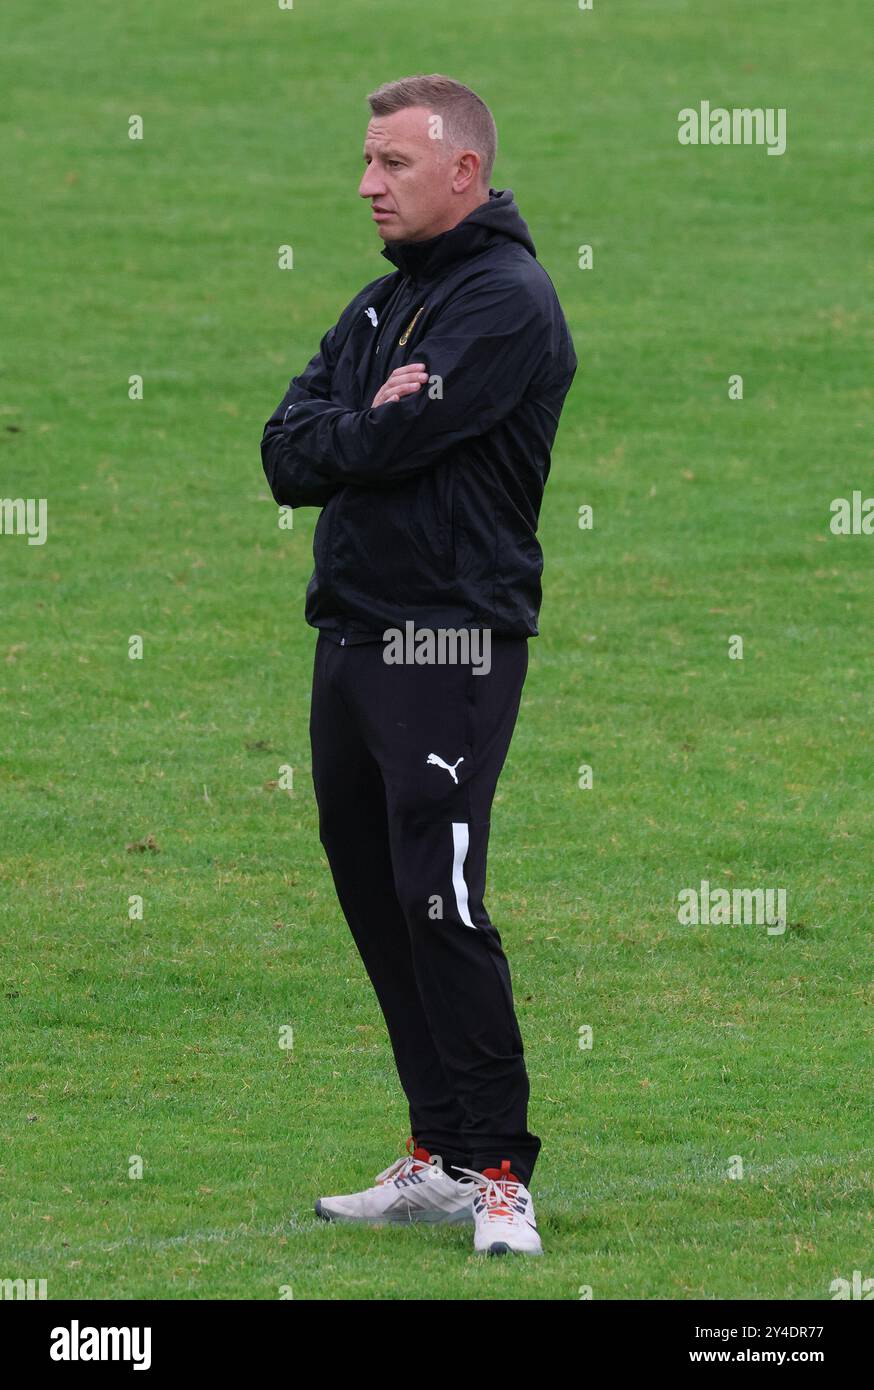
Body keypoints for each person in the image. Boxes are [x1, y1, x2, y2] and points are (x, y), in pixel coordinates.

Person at [260, 74, 577, 1256]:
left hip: (448, 639)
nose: (365, 185)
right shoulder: (379, 307)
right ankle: (440, 1150)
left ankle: (500, 1168)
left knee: (440, 894)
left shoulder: (507, 301)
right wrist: (357, 427)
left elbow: (396, 436)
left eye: (392, 164)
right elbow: (285, 450)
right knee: (376, 895)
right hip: (349, 637)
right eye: (364, 161)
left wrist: (360, 430)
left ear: (464, 171)